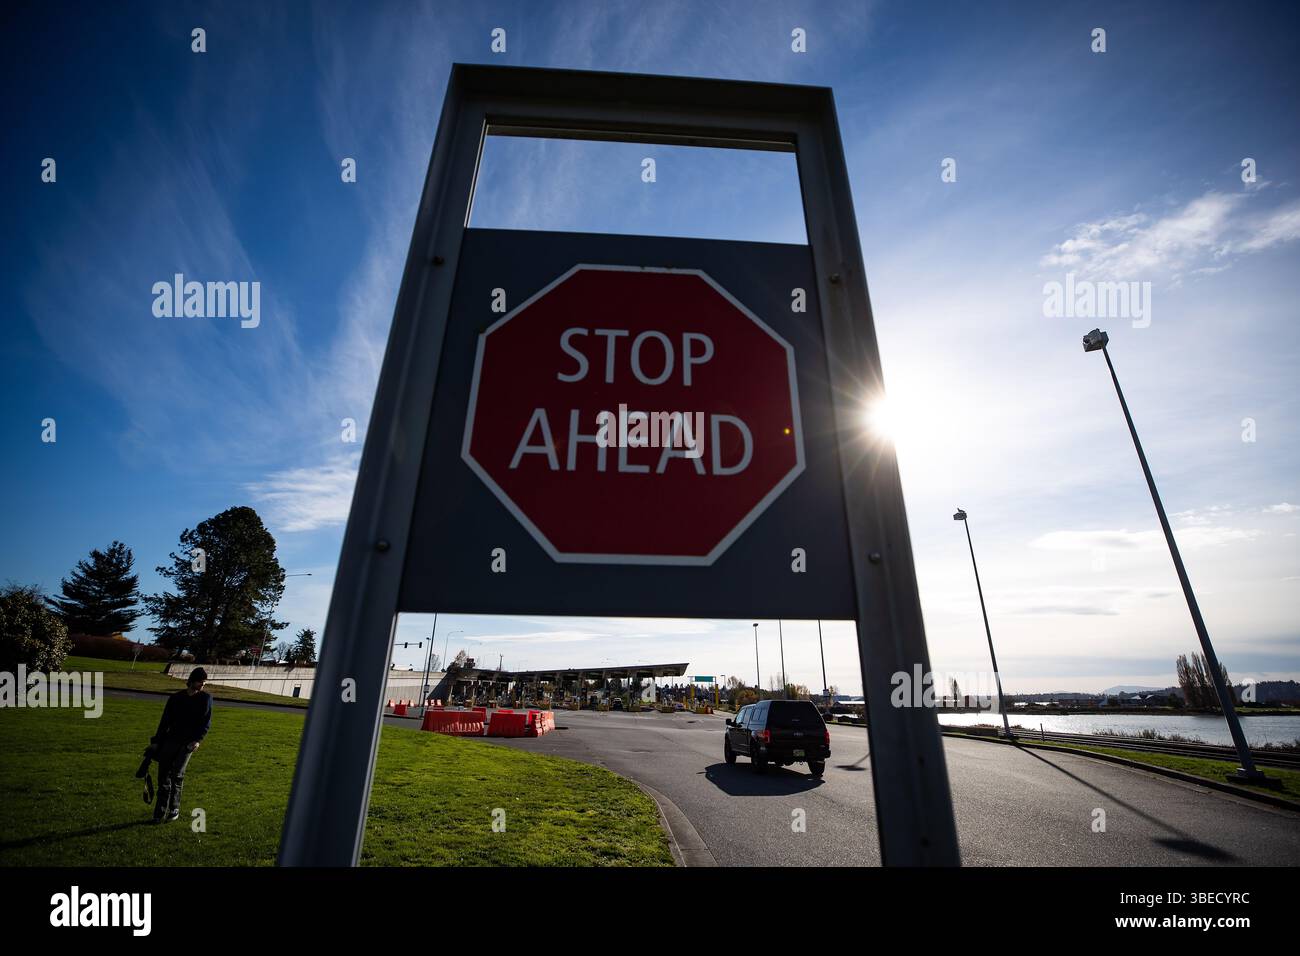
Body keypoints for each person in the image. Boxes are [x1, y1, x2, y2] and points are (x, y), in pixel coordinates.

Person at [148, 667, 212, 824]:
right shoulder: (176, 698)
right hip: (170, 740)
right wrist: (156, 741)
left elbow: (205, 723)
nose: (202, 684)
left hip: (187, 744)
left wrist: (197, 740)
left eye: (204, 682)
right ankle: (160, 811)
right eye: (200, 681)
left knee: (177, 775)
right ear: (192, 681)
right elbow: (165, 721)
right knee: (163, 776)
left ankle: (174, 808)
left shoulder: (205, 699)